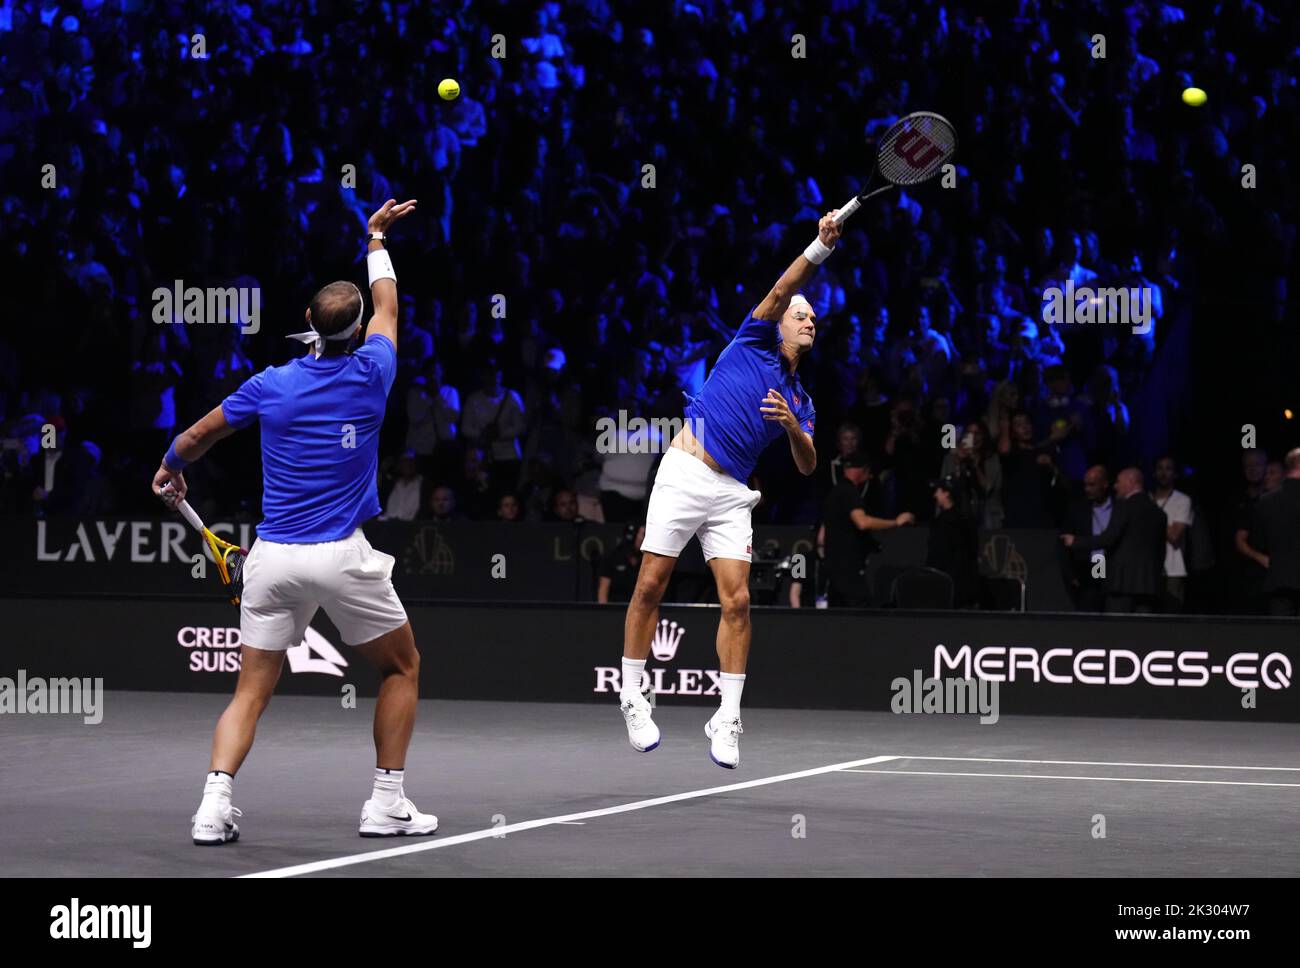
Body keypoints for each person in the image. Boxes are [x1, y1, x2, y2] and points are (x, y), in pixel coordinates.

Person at [152, 200, 439, 844]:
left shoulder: (270, 384)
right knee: (401, 667)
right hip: (342, 557)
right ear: (359, 330)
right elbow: (389, 303)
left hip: (273, 559)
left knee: (251, 689)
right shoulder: (375, 370)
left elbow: (196, 437)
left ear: (306, 323)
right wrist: (374, 238)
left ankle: (212, 807)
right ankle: (385, 802)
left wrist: (170, 468)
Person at [616, 211, 840, 769]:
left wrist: (791, 425)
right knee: (651, 584)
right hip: (685, 470)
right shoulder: (752, 339)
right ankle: (632, 693)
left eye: (814, 318)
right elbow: (785, 285)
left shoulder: (803, 401)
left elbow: (809, 465)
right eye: (803, 315)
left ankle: (729, 714)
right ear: (781, 322)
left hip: (732, 492)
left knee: (738, 601)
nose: (810, 320)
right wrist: (819, 246)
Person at [1060, 467, 1167, 613]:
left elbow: (1108, 539)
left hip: (1121, 583)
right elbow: (1161, 552)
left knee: (1118, 631)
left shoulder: (1124, 506)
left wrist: (1075, 542)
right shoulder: (1159, 513)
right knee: (1143, 631)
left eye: (1118, 482)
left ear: (1131, 482)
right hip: (1148, 585)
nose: (1115, 486)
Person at [822, 452, 914, 606]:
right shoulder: (848, 491)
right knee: (864, 610)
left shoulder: (835, 492)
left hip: (833, 567)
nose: (870, 476)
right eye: (868, 471)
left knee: (837, 616)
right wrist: (896, 523)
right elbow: (862, 522)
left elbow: (822, 535)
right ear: (861, 470)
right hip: (846, 568)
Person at [1245, 448, 1300, 616]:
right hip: (1282, 582)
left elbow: (1259, 543)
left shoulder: (1265, 501)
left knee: (1280, 638)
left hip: (1278, 582)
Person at [1059, 465, 1112, 612]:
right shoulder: (1078, 509)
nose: (1087, 489)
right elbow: (1062, 544)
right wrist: (1071, 575)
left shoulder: (1119, 508)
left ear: (1105, 484)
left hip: (1113, 568)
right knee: (1091, 607)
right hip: (1090, 566)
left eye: (1092, 485)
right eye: (1086, 485)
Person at [925, 475, 979, 608]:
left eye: (938, 491)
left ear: (946, 493)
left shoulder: (944, 522)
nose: (935, 495)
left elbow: (938, 554)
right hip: (964, 586)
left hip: (946, 586)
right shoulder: (967, 520)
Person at [1150, 454, 1193, 611]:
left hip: (1173, 569)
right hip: (1149, 569)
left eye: (1168, 469)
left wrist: (1153, 511)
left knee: (1171, 613)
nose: (1163, 473)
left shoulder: (1182, 500)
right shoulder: (1146, 499)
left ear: (1175, 474)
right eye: (1160, 468)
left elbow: (1174, 536)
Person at [598, 522, 646, 604]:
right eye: (644, 535)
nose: (646, 539)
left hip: (639, 611)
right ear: (632, 536)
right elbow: (603, 591)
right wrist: (604, 614)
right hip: (615, 610)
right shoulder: (612, 557)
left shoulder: (647, 560)